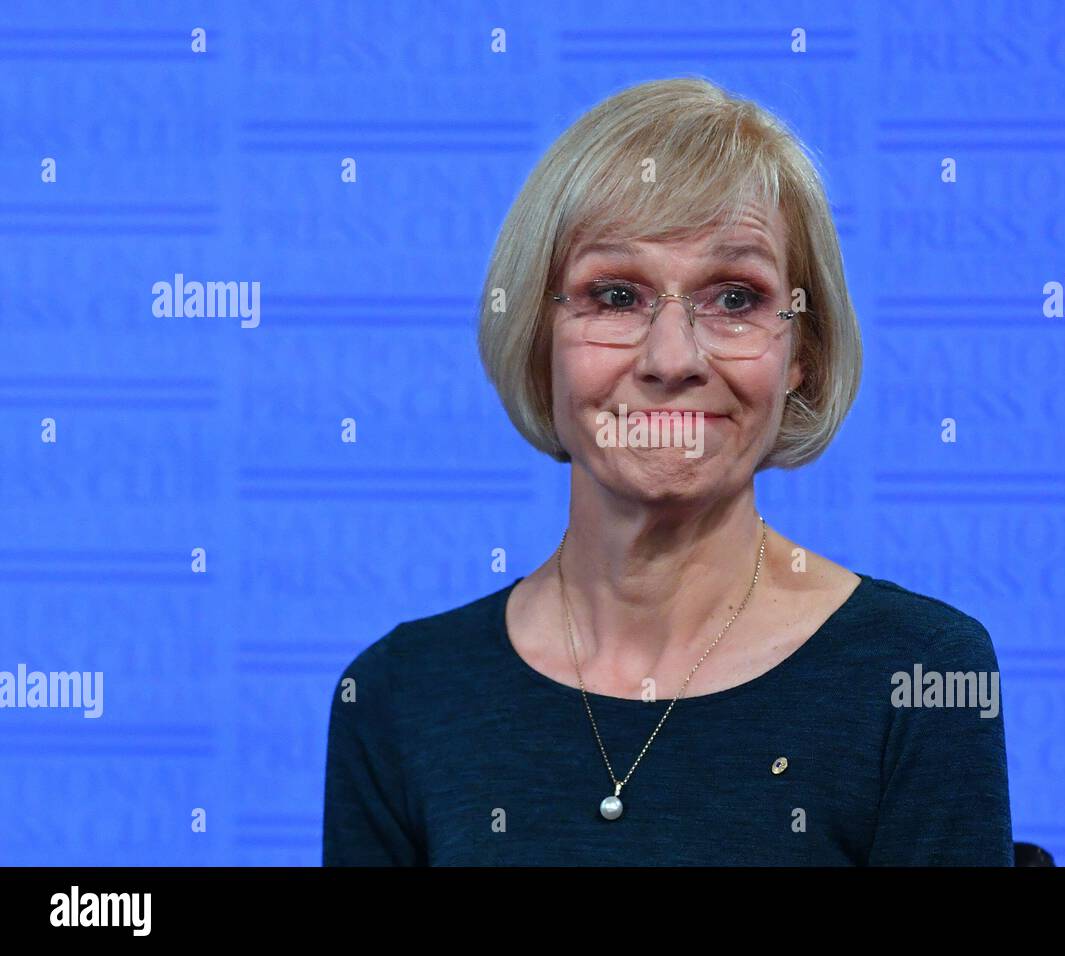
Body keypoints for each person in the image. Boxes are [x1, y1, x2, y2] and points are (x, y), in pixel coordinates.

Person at [323, 76, 1013, 866]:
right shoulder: (397, 698)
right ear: (536, 339)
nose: (673, 358)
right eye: (616, 295)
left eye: (735, 299)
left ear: (802, 353)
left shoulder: (919, 674)